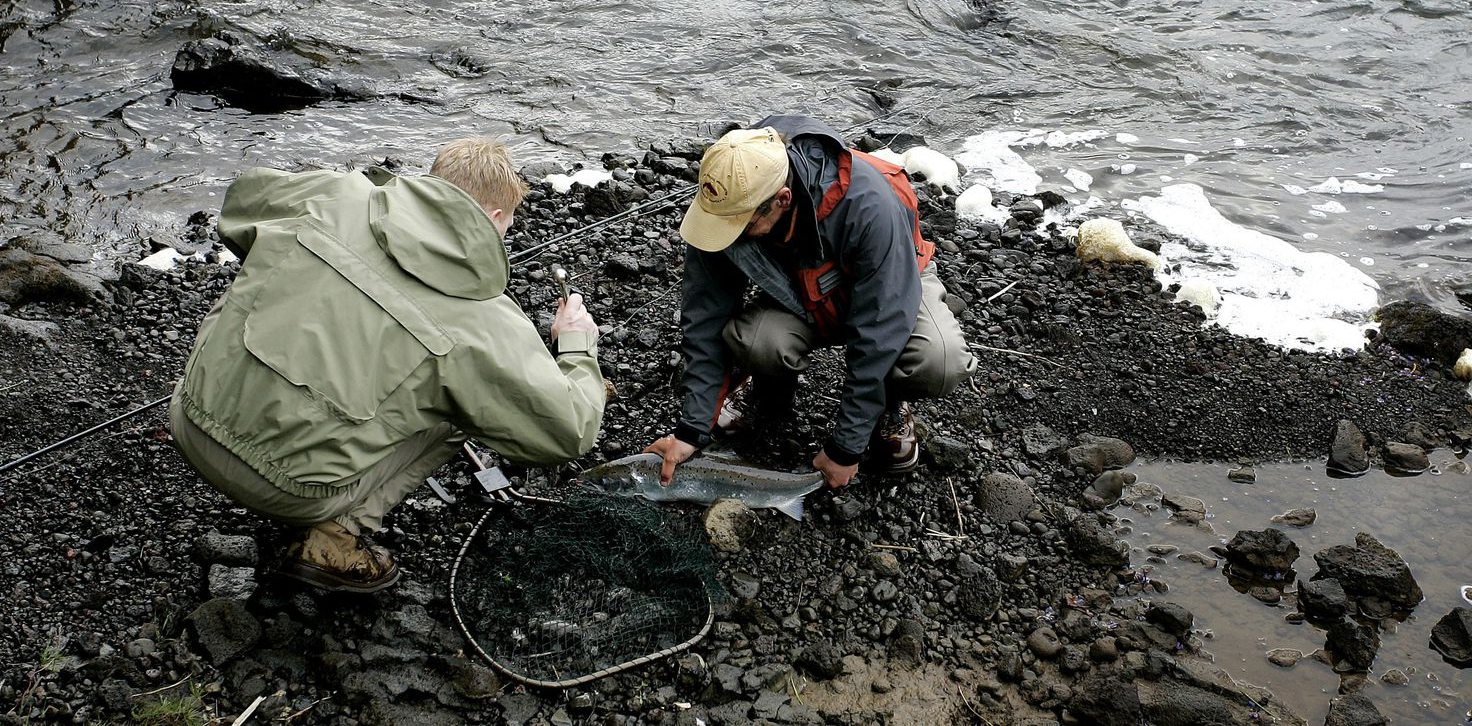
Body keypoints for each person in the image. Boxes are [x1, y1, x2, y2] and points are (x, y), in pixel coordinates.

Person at [169, 138, 606, 593]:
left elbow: (240, 205)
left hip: (191, 412)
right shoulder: (485, 317)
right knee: (466, 406)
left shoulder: (335, 192)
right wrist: (576, 343)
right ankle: (337, 537)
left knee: (271, 269)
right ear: (495, 219)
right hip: (287, 488)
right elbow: (570, 432)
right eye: (508, 227)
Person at [645, 115, 976, 490]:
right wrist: (692, 429)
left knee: (939, 361)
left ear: (781, 201)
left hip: (894, 284)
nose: (728, 234)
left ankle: (890, 407)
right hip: (804, 291)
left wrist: (844, 448)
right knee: (758, 341)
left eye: (740, 226)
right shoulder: (729, 193)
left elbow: (881, 328)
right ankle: (769, 398)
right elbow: (705, 316)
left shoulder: (871, 208)